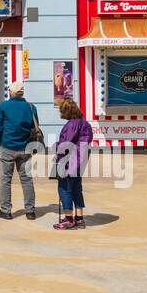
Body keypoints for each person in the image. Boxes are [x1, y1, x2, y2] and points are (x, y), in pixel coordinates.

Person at [0, 81, 39, 220]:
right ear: (22, 93)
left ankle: (6, 211)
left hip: (7, 147)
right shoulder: (31, 107)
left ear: (10, 92)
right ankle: (30, 211)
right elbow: (35, 127)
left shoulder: (3, 106)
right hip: (25, 148)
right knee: (27, 180)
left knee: (5, 179)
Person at [52, 98, 93, 230]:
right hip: (81, 160)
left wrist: (55, 147)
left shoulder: (72, 124)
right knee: (77, 189)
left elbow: (65, 144)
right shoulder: (85, 123)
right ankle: (79, 218)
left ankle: (68, 219)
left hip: (69, 161)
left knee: (64, 189)